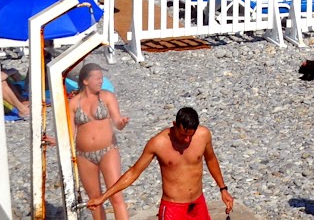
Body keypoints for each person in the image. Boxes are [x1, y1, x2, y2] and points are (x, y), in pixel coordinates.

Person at [88, 107, 233, 220]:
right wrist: (103, 197)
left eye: (191, 136)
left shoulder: (203, 135)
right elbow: (134, 172)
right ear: (174, 125)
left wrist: (223, 189)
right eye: (183, 135)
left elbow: (211, 159)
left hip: (197, 204)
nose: (187, 140)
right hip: (173, 208)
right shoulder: (158, 143)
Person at [72, 63, 131, 220]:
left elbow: (117, 121)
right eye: (97, 78)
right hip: (84, 155)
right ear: (86, 81)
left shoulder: (107, 97)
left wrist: (122, 123)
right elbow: (70, 133)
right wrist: (55, 141)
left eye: (101, 78)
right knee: (94, 200)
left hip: (107, 151)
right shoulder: (74, 103)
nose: (101, 81)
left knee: (116, 196)